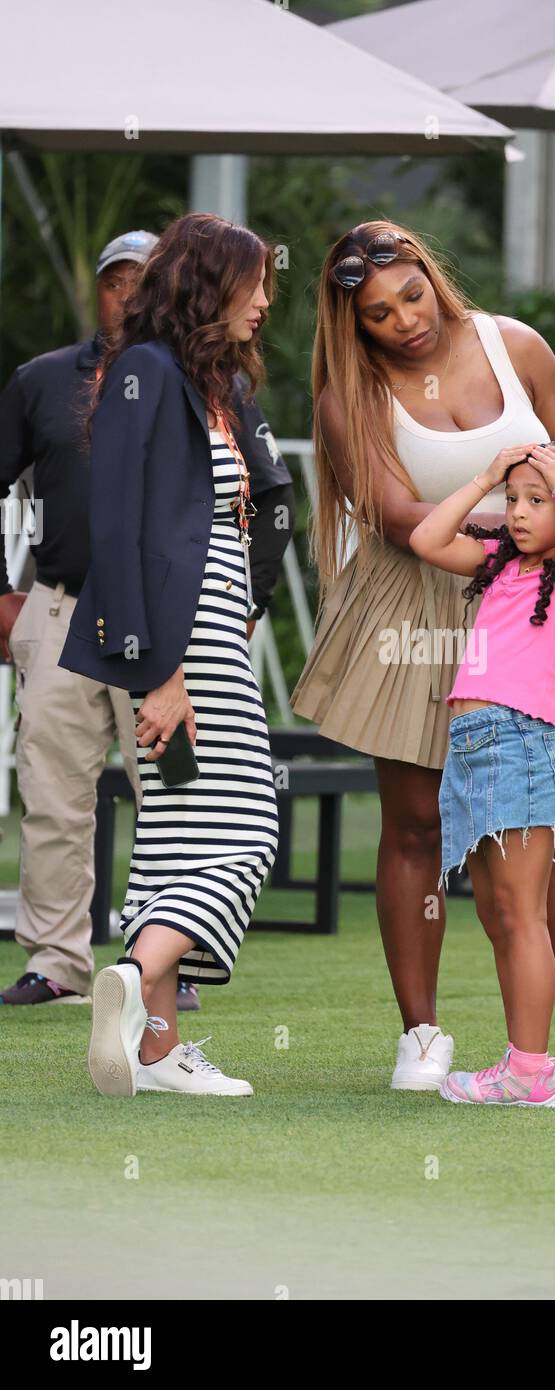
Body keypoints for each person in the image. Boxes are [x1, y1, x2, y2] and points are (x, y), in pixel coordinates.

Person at [290, 220, 555, 1100]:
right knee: (416, 822)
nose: (404, 321)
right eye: (379, 314)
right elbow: (395, 517)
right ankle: (421, 1034)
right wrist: (522, 526)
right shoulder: (348, 396)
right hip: (419, 603)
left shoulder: (516, 346)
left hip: (527, 607)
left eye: (412, 295)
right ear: (354, 324)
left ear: (431, 273)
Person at [0, 230, 293, 1016]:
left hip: (201, 636)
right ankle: (130, 977)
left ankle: (156, 1035)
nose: (265, 300)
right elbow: (120, 526)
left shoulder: (203, 381)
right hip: (163, 639)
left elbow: (263, 506)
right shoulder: (143, 373)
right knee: (245, 830)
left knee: (175, 830)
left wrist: (247, 609)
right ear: (206, 286)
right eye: (253, 283)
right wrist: (160, 672)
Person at [412, 441, 555, 1105]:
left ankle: (530, 1073)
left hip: (518, 743)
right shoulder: (501, 566)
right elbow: (428, 538)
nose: (517, 512)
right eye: (512, 499)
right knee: (499, 914)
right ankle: (523, 1066)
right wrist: (485, 475)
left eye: (535, 501)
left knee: (521, 914)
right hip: (474, 746)